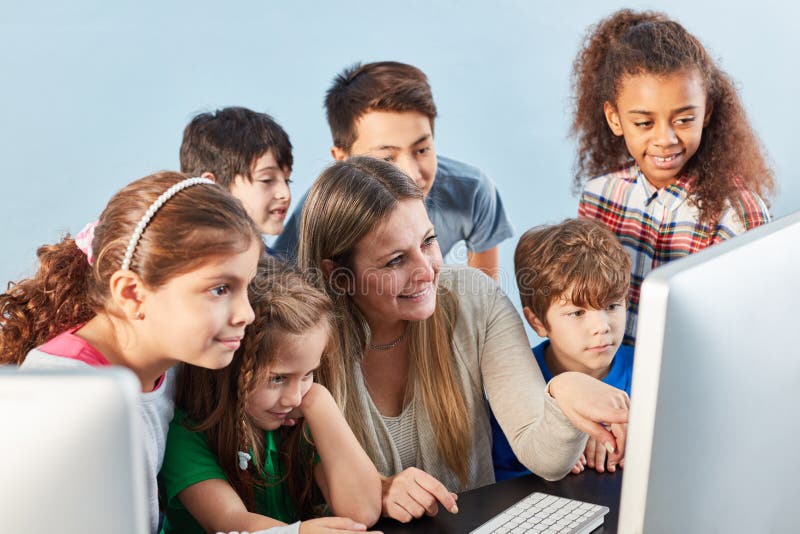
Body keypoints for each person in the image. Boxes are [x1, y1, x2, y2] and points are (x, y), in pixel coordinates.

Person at [296, 157, 630, 523]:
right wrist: (377, 487)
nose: (426, 271)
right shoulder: (301, 346)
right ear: (339, 275)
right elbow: (293, 496)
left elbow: (544, 458)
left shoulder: (477, 301)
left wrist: (562, 393)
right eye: (395, 260)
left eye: (428, 241)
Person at [0, 173, 263, 533]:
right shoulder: (67, 396)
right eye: (220, 289)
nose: (246, 313)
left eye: (245, 286)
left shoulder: (166, 365)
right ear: (132, 294)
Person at [572, 9, 774, 345]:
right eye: (644, 123)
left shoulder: (737, 214)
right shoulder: (599, 196)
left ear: (706, 113)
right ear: (615, 118)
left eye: (683, 120)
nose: (665, 139)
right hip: (609, 379)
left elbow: (750, 328)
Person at [159, 261, 382, 534]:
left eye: (308, 374)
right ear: (228, 369)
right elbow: (229, 521)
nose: (293, 398)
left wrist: (319, 400)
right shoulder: (187, 434)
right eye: (277, 378)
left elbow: (363, 511)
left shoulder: (300, 416)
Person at [274, 61, 513, 279]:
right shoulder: (317, 212)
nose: (410, 175)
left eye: (422, 149)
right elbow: (280, 287)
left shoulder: (472, 192)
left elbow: (485, 298)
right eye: (386, 158)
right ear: (343, 160)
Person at [491, 218, 634, 481]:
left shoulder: (650, 375)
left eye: (612, 306)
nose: (601, 327)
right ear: (537, 322)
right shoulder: (515, 385)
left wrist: (627, 444)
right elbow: (502, 479)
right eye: (577, 312)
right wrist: (563, 446)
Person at [180, 106, 294, 251]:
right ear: (213, 187)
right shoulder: (181, 264)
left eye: (287, 181)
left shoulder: (279, 267)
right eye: (267, 180)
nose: (285, 194)